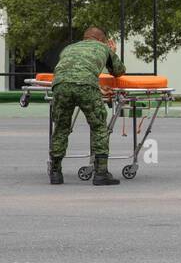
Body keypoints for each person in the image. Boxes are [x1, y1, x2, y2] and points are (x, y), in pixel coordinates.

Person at [48, 27, 126, 185]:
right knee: (99, 127)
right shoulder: (103, 47)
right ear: (101, 40)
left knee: (61, 127)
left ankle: (55, 172)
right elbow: (119, 71)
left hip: (60, 85)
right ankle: (101, 173)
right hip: (86, 86)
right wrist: (112, 51)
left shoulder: (69, 48)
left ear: (85, 38)